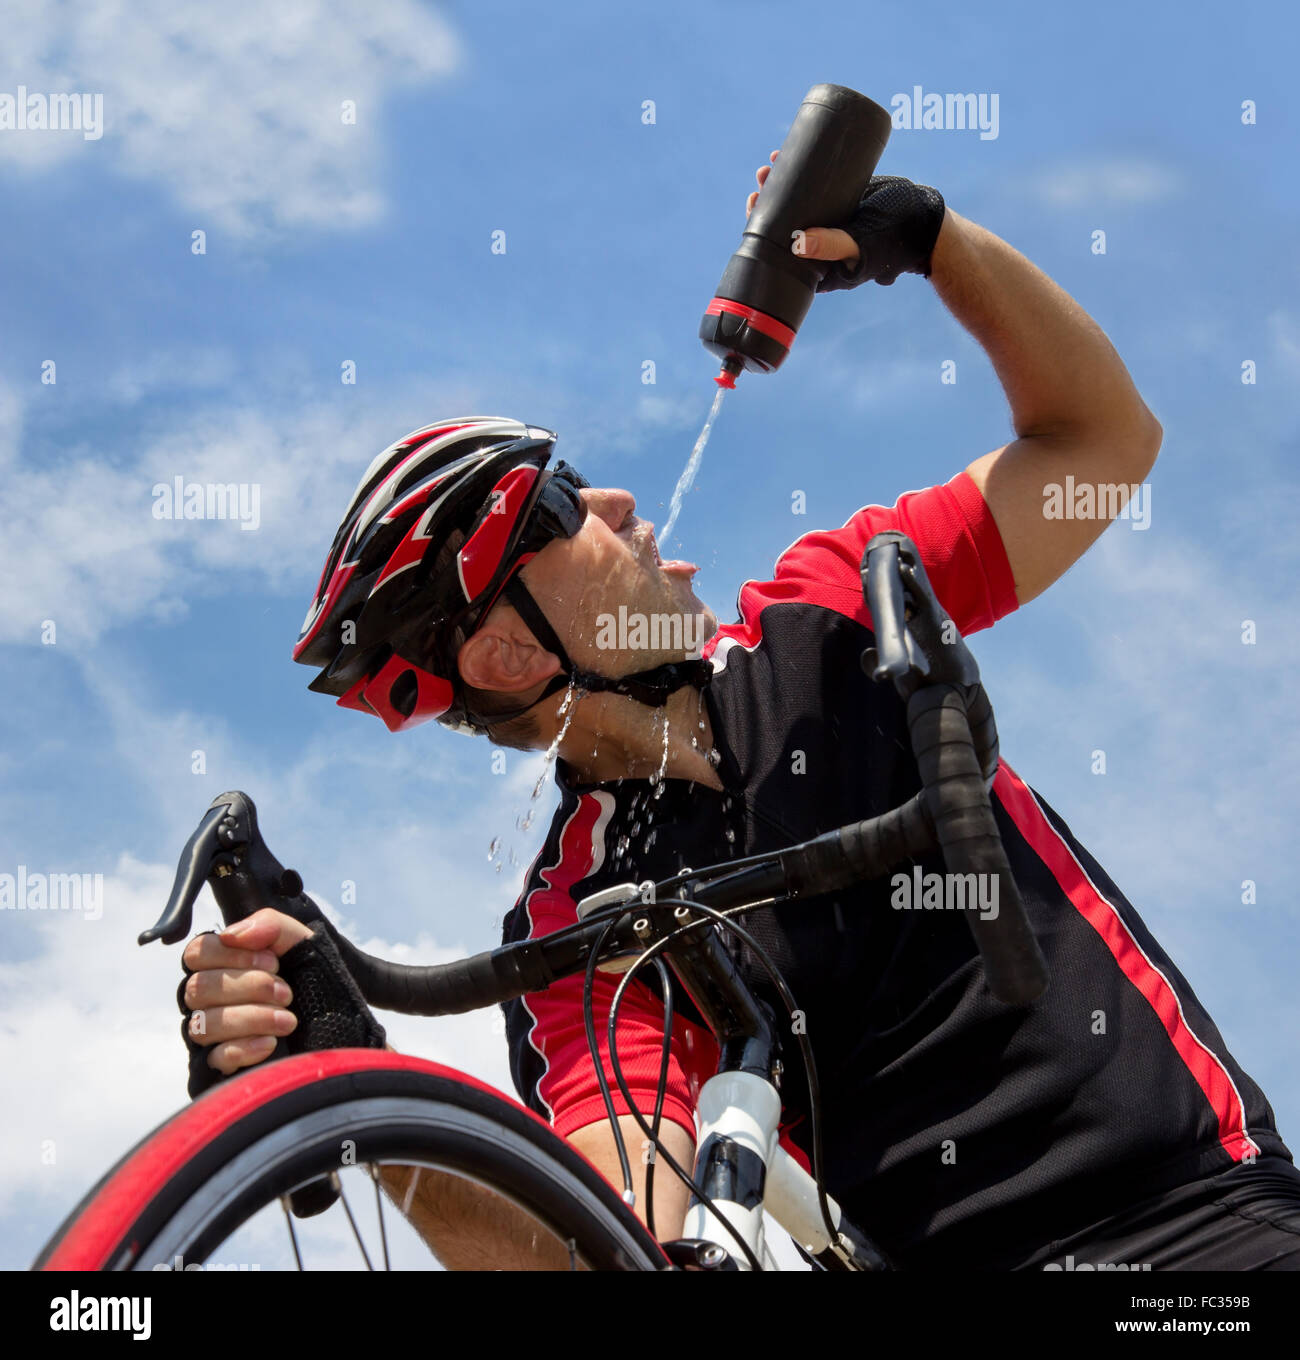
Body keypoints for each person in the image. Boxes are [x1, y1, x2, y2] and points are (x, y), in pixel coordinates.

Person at [178, 156, 1300, 1271]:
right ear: (511, 649)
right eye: (564, 502)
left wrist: (937, 243)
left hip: (1207, 1220)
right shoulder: (588, 927)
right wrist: (354, 1078)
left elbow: (1100, 443)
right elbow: (605, 1252)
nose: (618, 499)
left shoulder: (827, 606)